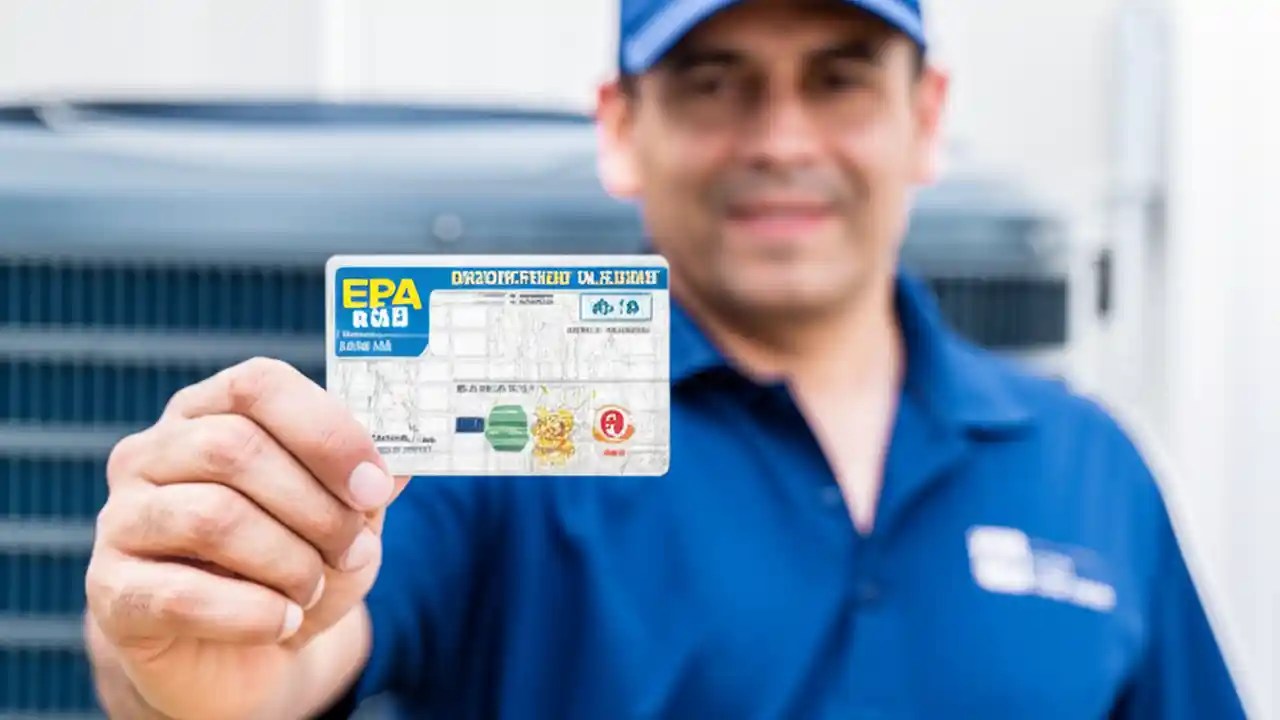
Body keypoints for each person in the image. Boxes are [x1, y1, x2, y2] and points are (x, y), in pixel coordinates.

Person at [83, 0, 1248, 717]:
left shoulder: (1085, 464)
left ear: (923, 116)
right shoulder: (508, 410)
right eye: (712, 82)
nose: (782, 139)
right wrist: (195, 661)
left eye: (838, 78)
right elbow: (302, 640)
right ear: (620, 127)